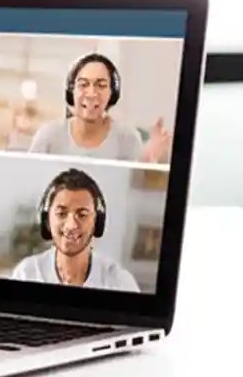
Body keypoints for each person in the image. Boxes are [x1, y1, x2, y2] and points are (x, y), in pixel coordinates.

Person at [10, 169, 140, 292]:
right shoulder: (26, 274)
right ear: (46, 219)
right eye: (61, 213)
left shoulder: (120, 282)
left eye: (82, 215)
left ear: (97, 221)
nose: (71, 225)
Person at [27, 53, 171, 163]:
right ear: (72, 91)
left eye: (101, 85)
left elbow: (137, 189)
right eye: (83, 85)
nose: (91, 94)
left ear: (112, 93)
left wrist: (150, 160)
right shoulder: (48, 136)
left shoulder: (127, 139)